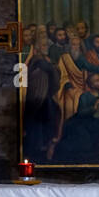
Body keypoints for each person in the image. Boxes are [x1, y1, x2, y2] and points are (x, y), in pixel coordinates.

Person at [23, 27, 60, 161]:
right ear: (36, 48)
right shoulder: (39, 61)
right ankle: (38, 151)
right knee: (37, 128)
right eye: (43, 45)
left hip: (44, 98)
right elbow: (50, 72)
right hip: (38, 99)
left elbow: (54, 79)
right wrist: (53, 68)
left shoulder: (44, 61)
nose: (46, 47)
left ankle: (44, 148)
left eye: (46, 45)